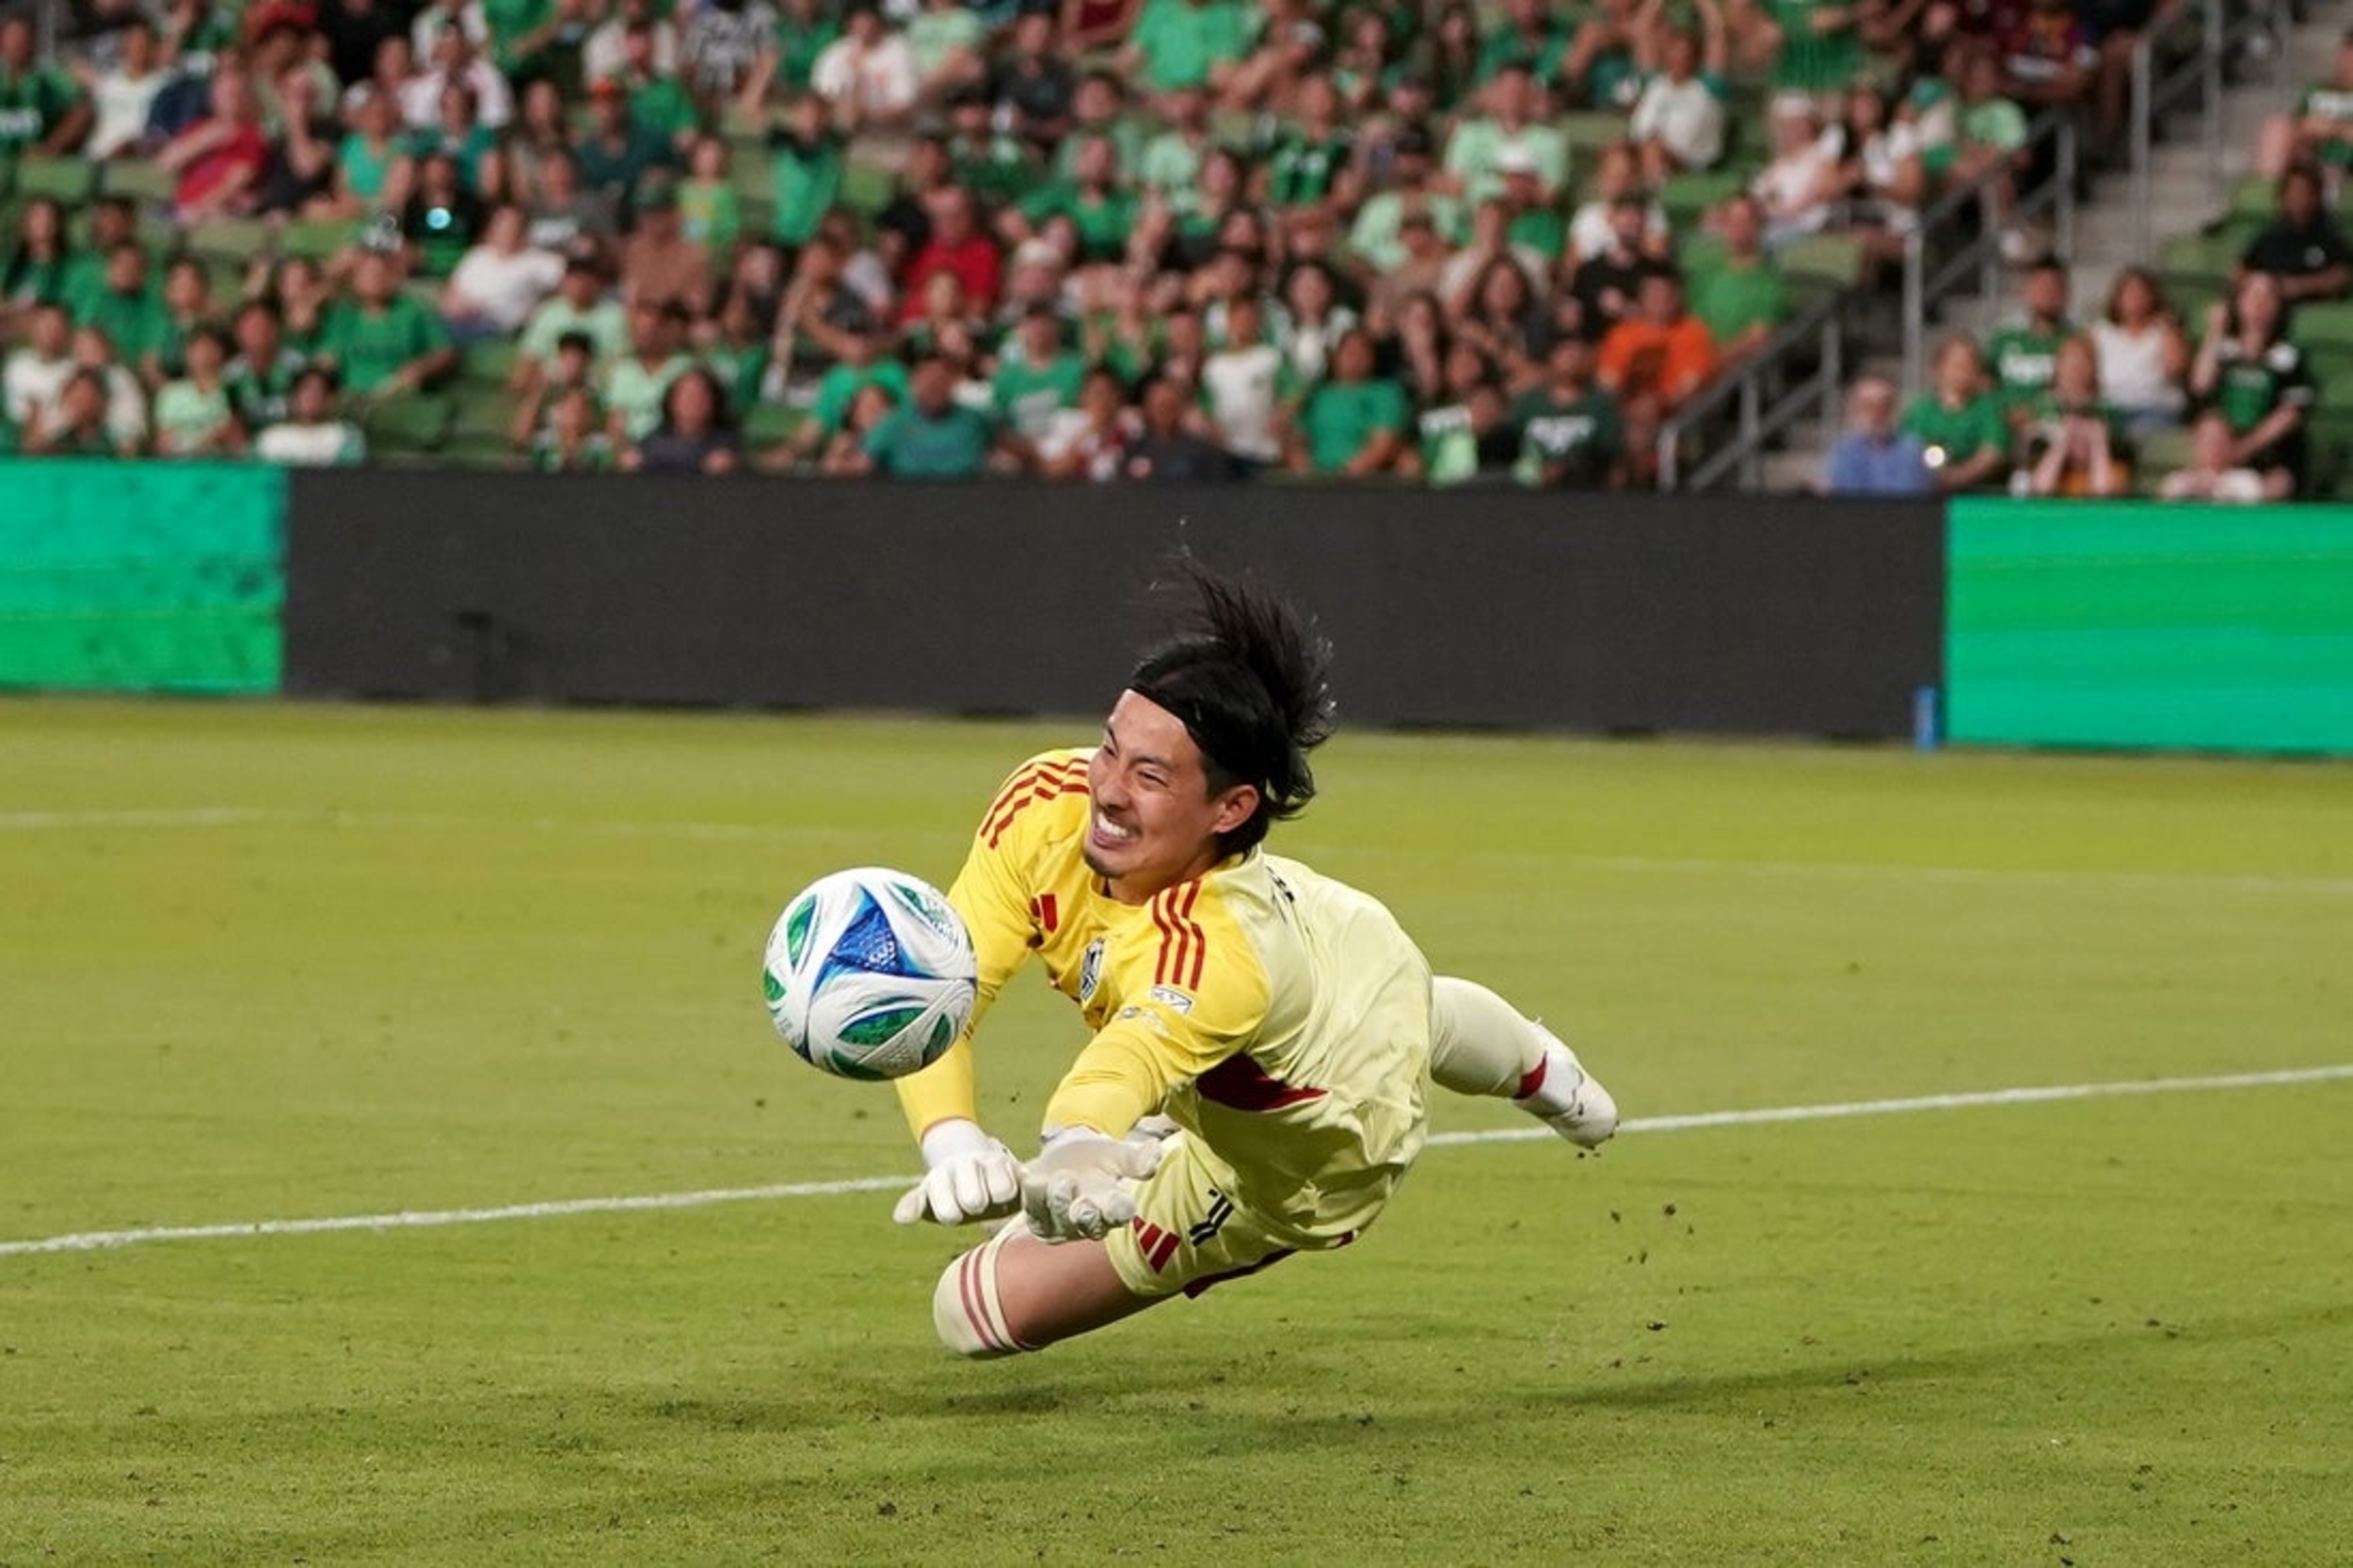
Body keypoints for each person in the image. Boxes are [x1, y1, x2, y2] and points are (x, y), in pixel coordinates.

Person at [892, 561, 1620, 1358]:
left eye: (1149, 775)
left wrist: (1076, 1145)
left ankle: (1533, 1066)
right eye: (1109, 748)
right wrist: (950, 1136)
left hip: (1319, 1142)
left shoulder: (1215, 957)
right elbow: (942, 982)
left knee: (971, 1313)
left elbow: (1122, 1067)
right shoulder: (1044, 807)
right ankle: (1534, 1066)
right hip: (1331, 939)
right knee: (1409, 1000)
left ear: (1231, 807)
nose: (1106, 789)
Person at [1821, 373, 1933, 495]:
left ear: (1894, 409)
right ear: (1855, 409)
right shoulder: (1844, 451)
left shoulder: (1912, 450)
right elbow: (1841, 495)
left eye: (1884, 406)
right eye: (1867, 406)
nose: (1875, 414)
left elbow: (1910, 496)